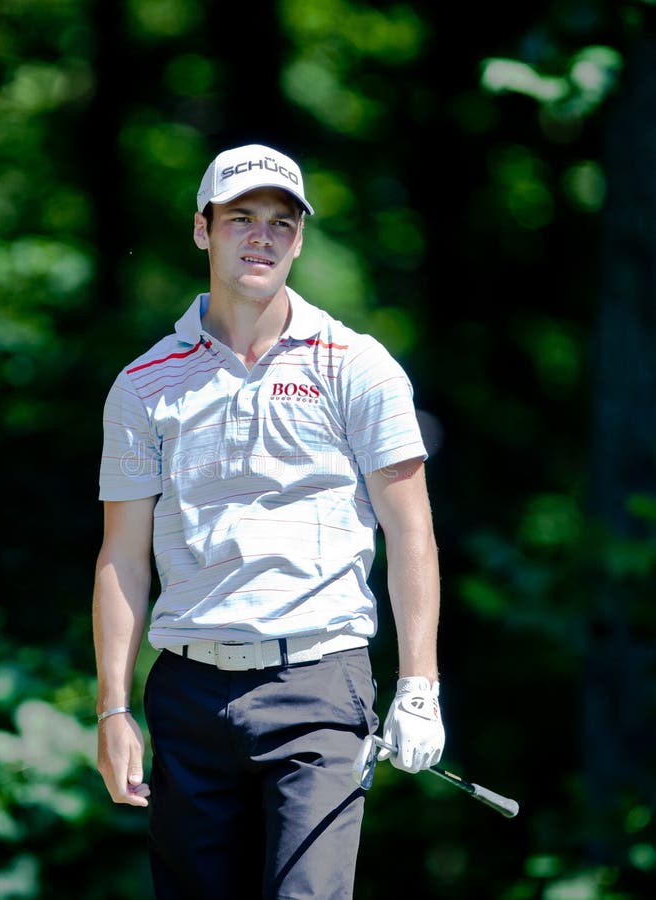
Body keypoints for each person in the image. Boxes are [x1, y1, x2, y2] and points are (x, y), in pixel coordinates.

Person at [92, 143, 445, 900]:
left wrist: (419, 686)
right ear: (202, 230)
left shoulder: (357, 364)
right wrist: (112, 708)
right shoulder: (142, 384)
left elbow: (410, 531)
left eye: (281, 223)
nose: (261, 237)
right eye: (241, 218)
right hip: (186, 692)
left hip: (320, 684)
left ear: (299, 239)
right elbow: (121, 555)